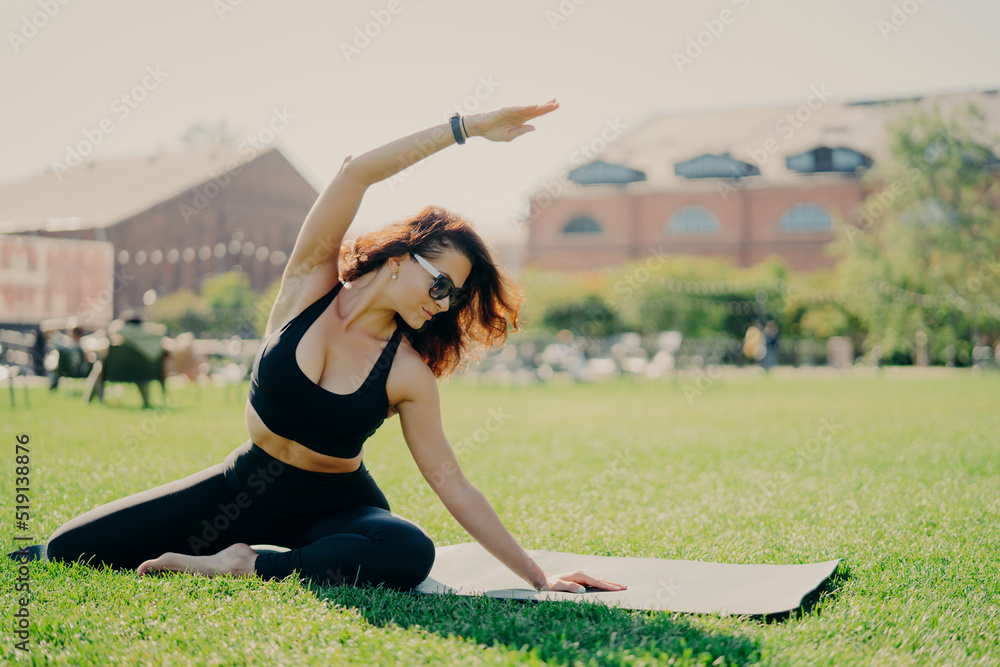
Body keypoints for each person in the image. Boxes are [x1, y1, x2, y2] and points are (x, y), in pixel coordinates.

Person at [17, 99, 626, 596]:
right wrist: (466, 128)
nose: (443, 304)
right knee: (68, 551)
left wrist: (538, 576)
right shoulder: (309, 285)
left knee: (405, 549)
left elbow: (453, 483)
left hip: (335, 506)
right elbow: (356, 172)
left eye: (454, 299)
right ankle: (241, 549)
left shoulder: (408, 373)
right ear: (398, 257)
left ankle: (246, 567)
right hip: (240, 487)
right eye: (441, 283)